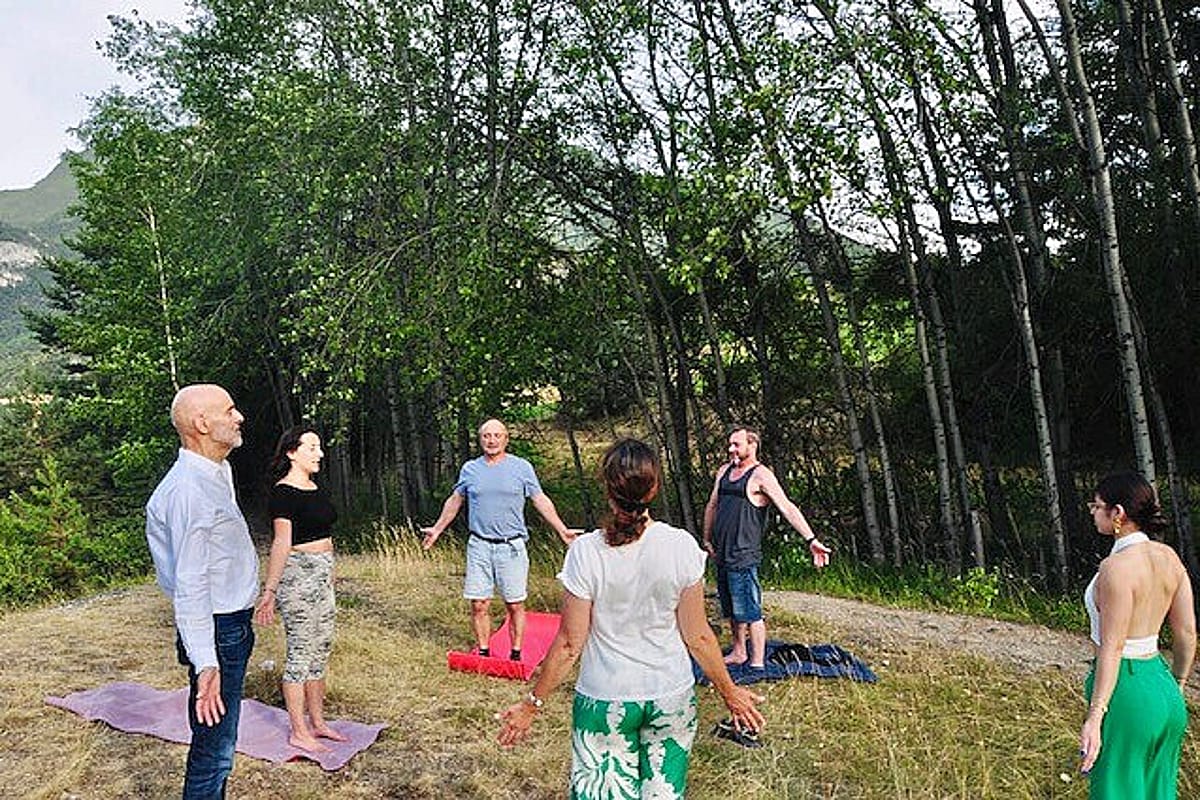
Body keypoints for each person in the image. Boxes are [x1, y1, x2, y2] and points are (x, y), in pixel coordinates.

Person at [497, 438, 766, 798]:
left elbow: (568, 644)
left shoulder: (585, 553)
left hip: (604, 700)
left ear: (608, 489)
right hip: (671, 696)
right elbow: (698, 636)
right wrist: (729, 693)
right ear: (654, 488)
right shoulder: (682, 547)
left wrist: (532, 705)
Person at [146, 384, 258, 799]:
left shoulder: (215, 470)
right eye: (230, 410)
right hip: (217, 629)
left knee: (219, 744)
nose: (239, 416)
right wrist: (206, 663)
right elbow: (190, 587)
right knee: (215, 749)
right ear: (202, 423)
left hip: (230, 624)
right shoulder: (188, 492)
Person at [422, 418, 578, 660]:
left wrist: (561, 529)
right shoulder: (470, 469)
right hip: (479, 546)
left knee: (514, 604)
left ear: (506, 439)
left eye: (497, 436)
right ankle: (483, 652)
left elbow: (539, 499)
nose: (491, 440)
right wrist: (438, 528)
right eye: (486, 436)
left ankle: (515, 653)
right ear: (480, 440)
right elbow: (455, 500)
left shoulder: (521, 468)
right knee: (479, 604)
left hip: (511, 547)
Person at [1079, 470, 1195, 797]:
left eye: (1096, 505)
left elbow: (1113, 647)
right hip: (1164, 688)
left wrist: (1095, 715)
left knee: (1116, 790)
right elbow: (1186, 633)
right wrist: (1179, 684)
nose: (1092, 511)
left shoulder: (1115, 569)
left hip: (1126, 691)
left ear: (1118, 514)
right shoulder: (1169, 558)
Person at [702, 424, 831, 669]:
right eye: (729, 444)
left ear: (752, 445)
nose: (731, 449)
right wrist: (707, 539)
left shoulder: (761, 475)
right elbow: (712, 506)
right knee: (730, 608)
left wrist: (811, 540)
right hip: (722, 552)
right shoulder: (724, 472)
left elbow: (788, 507)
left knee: (750, 611)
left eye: (736, 445)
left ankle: (757, 662)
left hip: (744, 554)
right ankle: (739, 651)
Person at [253, 425, 348, 752]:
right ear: (292, 452)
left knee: (321, 649)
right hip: (297, 575)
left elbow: (326, 534)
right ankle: (298, 730)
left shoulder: (314, 486)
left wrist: (331, 571)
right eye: (312, 447)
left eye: (319, 447)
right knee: (301, 653)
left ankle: (318, 723)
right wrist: (270, 590)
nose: (319, 453)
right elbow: (281, 542)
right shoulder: (283, 492)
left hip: (322, 574)